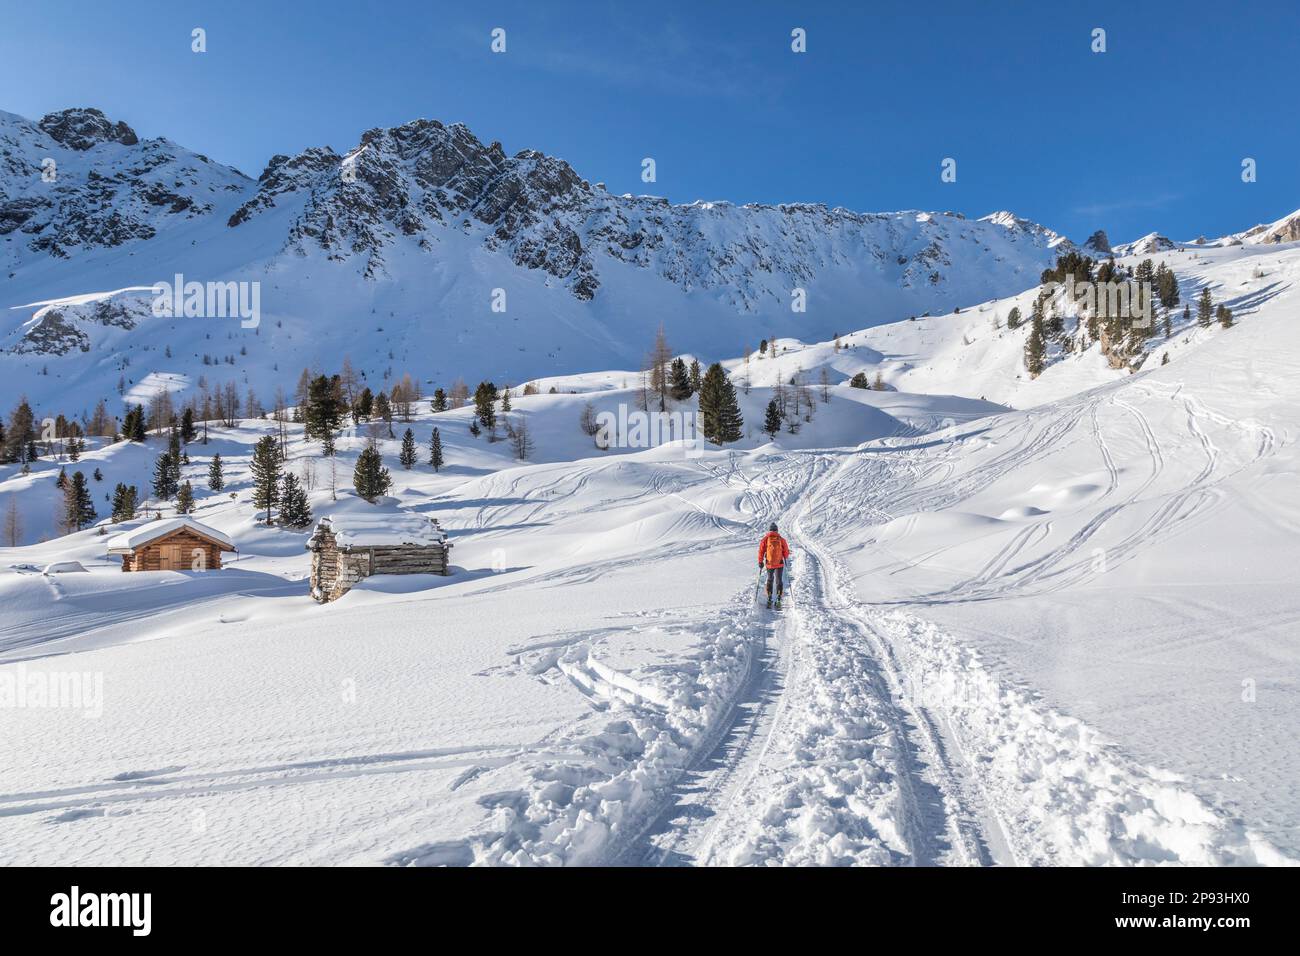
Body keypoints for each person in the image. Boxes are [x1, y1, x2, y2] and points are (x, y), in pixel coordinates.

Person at [757, 522, 789, 609]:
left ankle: (769, 598)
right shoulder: (781, 539)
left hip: (769, 564)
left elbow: (761, 551)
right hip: (779, 563)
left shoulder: (765, 539)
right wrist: (785, 557)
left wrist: (760, 562)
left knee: (770, 580)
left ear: (770, 530)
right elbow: (786, 551)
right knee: (779, 581)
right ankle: (778, 599)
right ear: (777, 530)